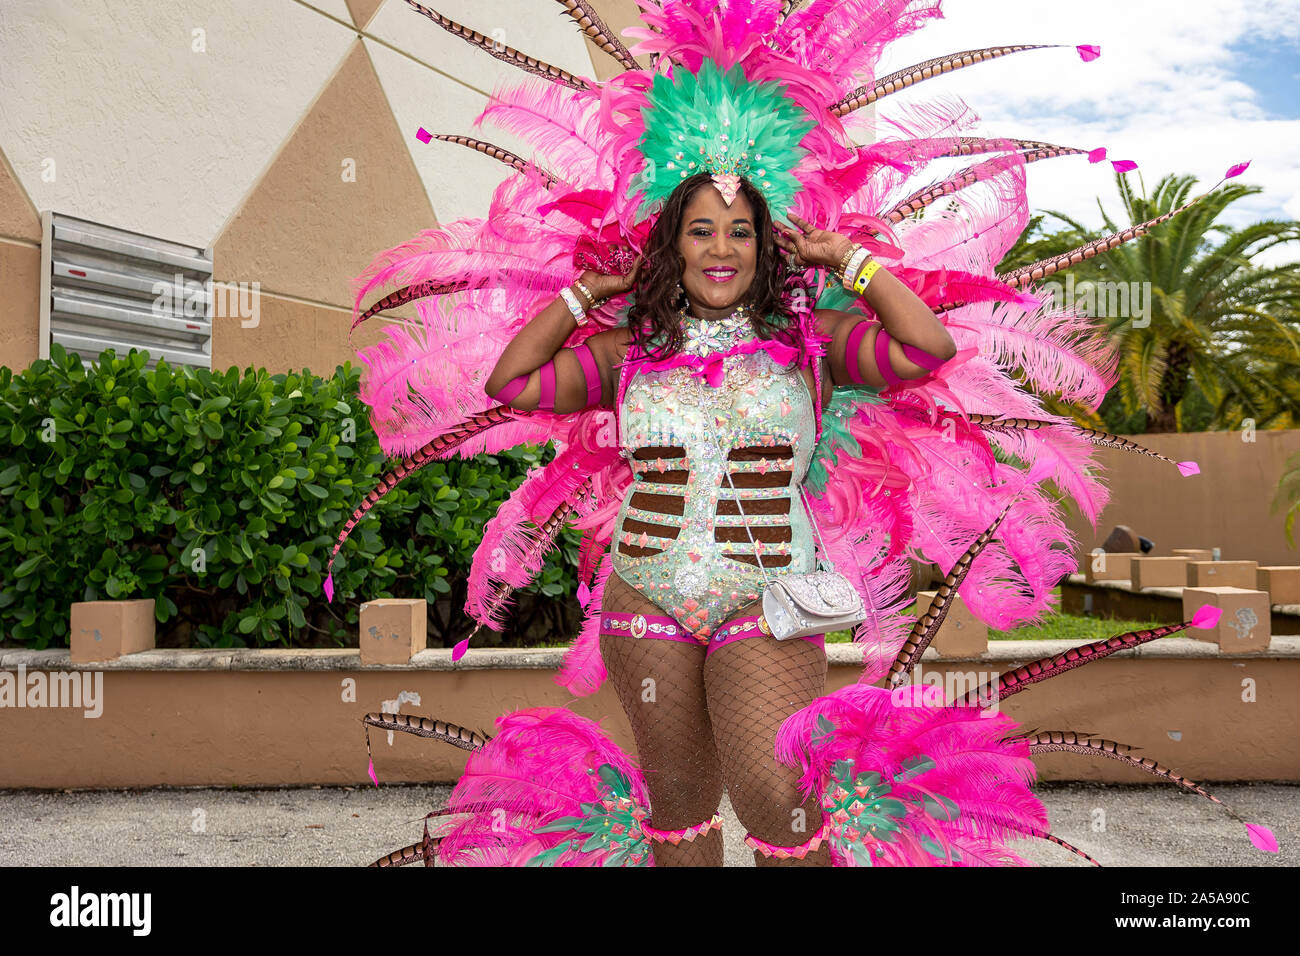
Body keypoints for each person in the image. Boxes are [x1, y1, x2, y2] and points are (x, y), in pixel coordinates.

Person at [335, 0, 1277, 867]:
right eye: (699, 231)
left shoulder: (810, 339)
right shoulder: (630, 349)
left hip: (770, 595)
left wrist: (853, 263)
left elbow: (927, 347)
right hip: (643, 596)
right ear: (673, 244)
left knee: (775, 794)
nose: (719, 249)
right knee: (677, 807)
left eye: (740, 232)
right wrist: (589, 295)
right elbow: (514, 380)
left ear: (765, 243)